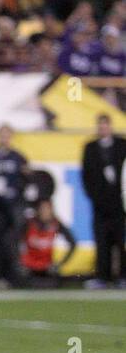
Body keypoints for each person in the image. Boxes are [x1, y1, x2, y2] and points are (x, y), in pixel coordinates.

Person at [80, 113, 126, 289]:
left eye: (105, 125)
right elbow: (86, 176)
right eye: (100, 125)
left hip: (119, 203)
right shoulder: (90, 148)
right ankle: (102, 276)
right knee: (101, 240)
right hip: (100, 203)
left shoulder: (122, 145)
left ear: (110, 126)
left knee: (120, 241)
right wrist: (94, 197)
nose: (103, 128)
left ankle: (122, 276)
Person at [0, 124, 28, 287]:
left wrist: (16, 191)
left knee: (12, 240)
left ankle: (12, 276)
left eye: (7, 135)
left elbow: (25, 179)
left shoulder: (18, 157)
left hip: (13, 205)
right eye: (2, 134)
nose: (4, 138)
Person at [19, 198, 75, 286]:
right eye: (43, 208)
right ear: (37, 210)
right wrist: (18, 262)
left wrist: (60, 263)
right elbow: (13, 242)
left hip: (47, 268)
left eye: (48, 209)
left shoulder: (56, 224)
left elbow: (73, 243)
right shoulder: (29, 224)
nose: (46, 212)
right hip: (29, 268)